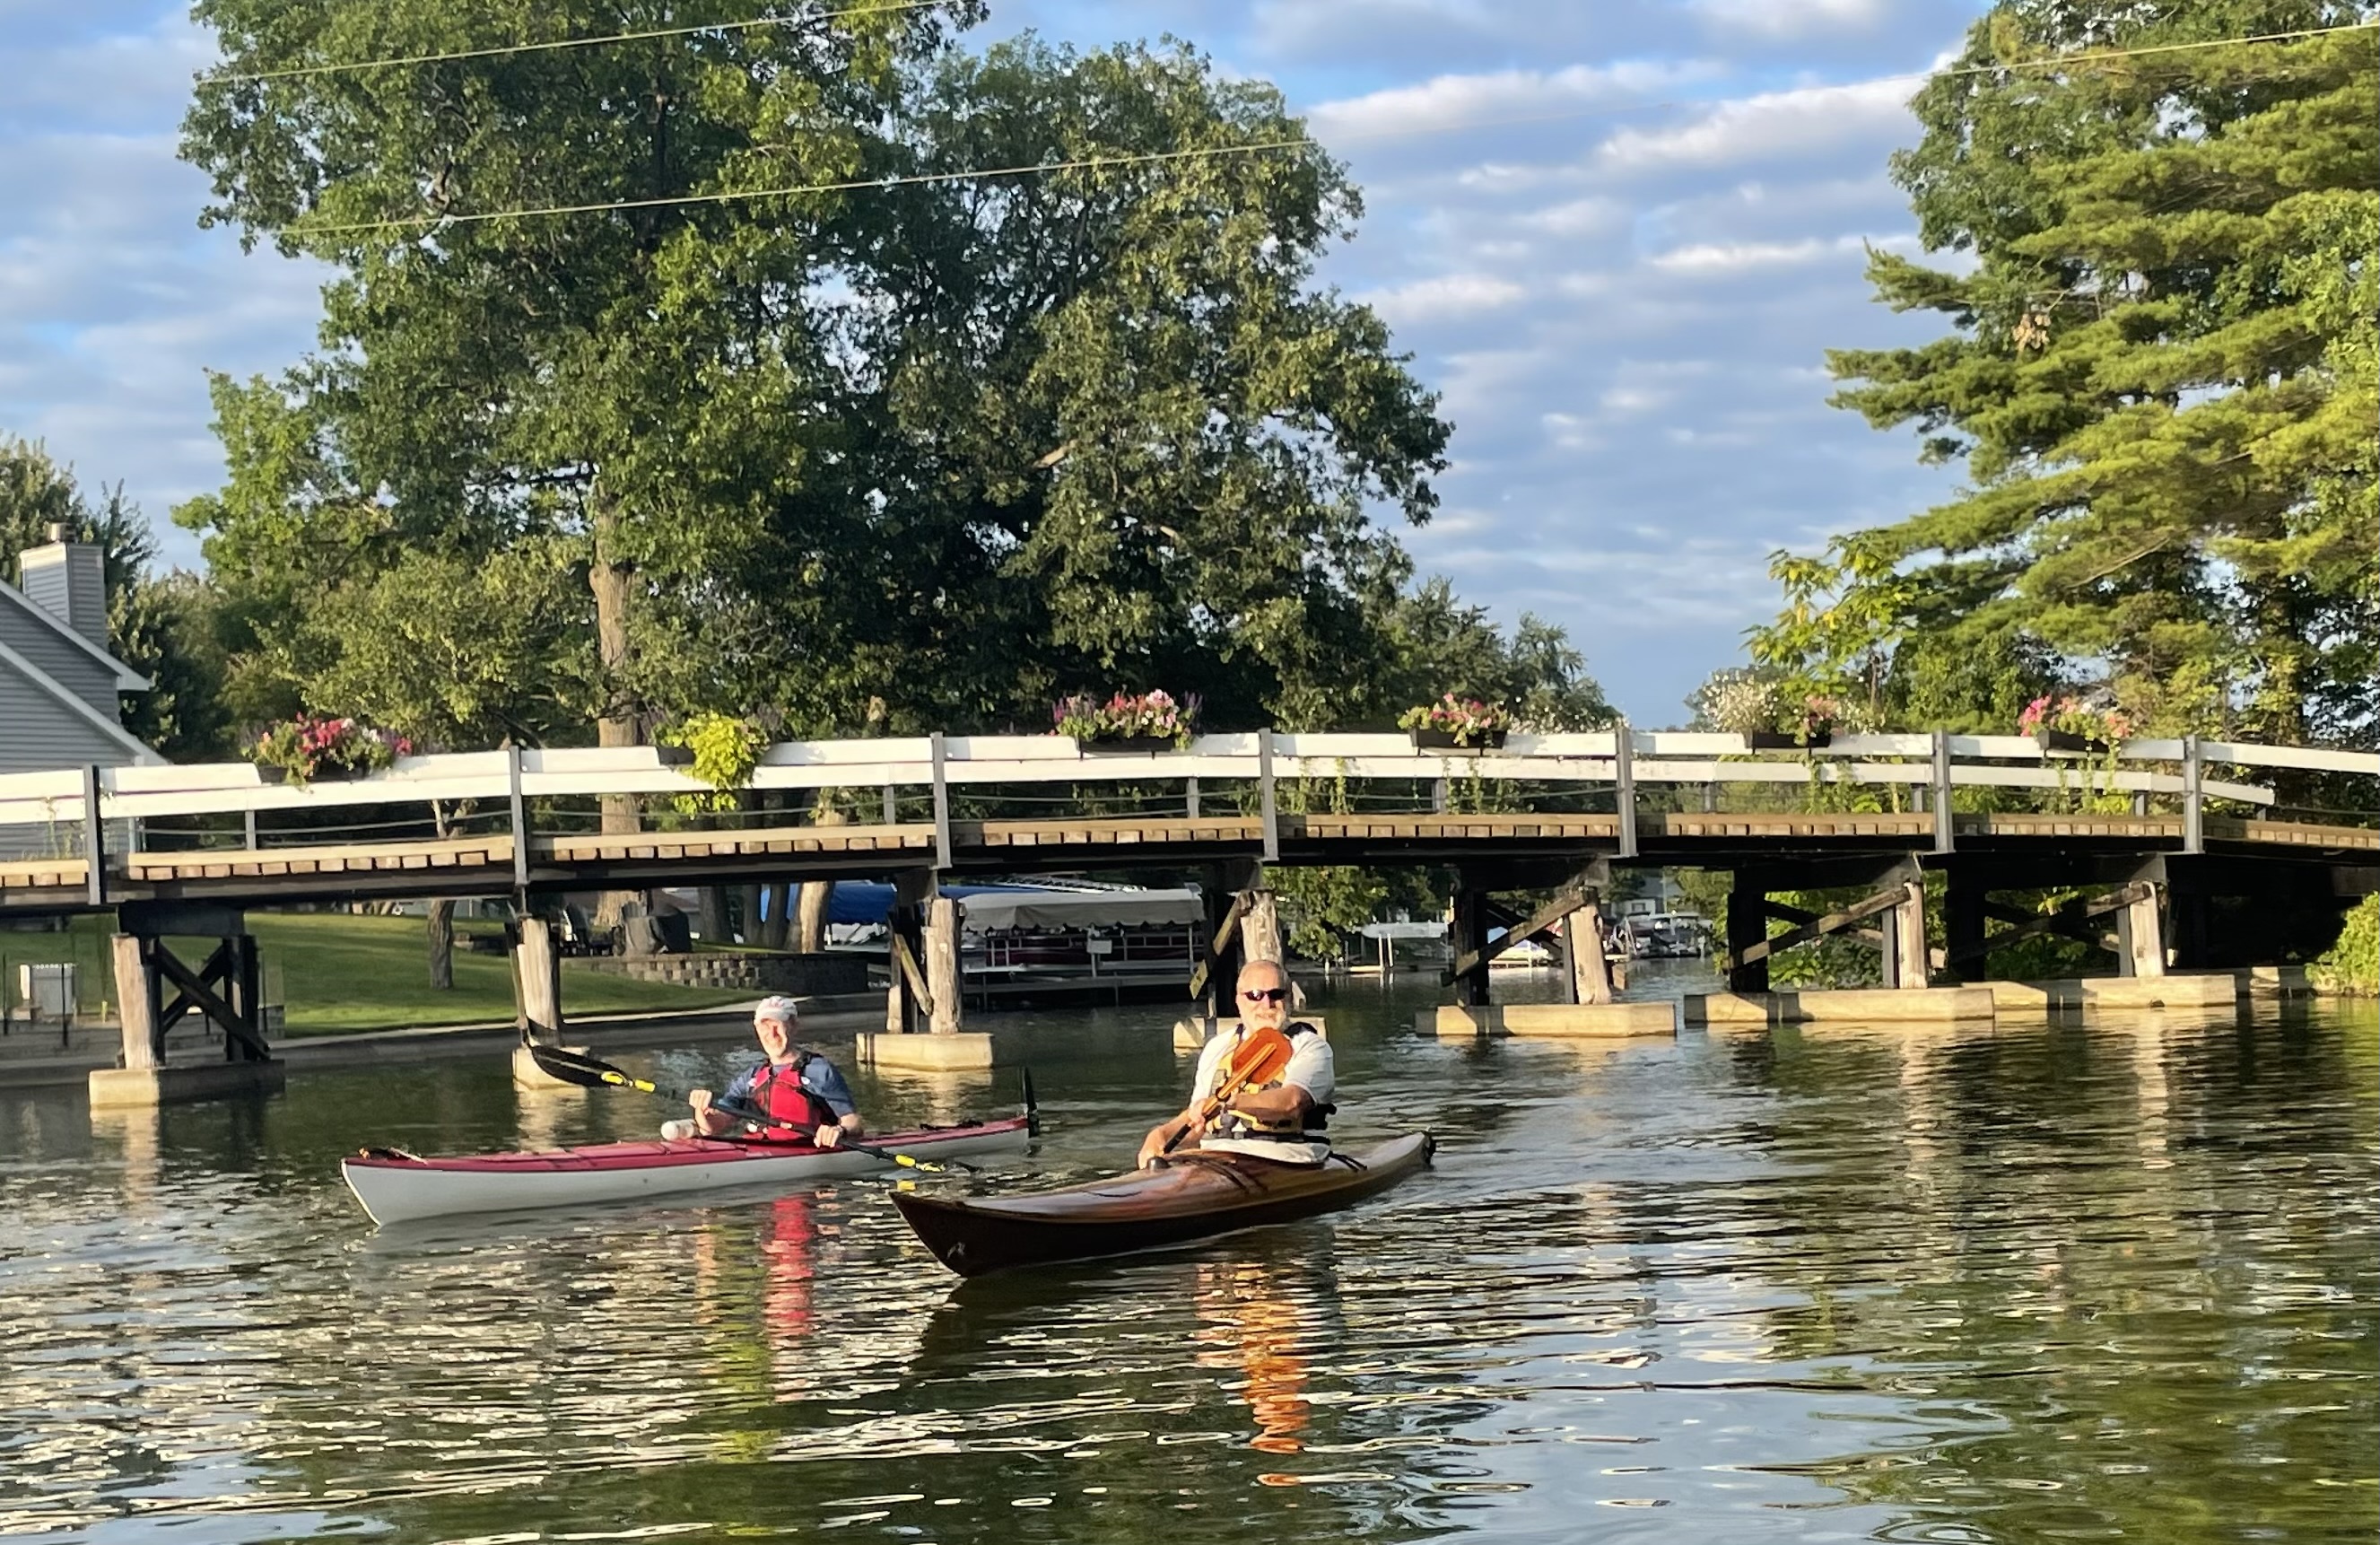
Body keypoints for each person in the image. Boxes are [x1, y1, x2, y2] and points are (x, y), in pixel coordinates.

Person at [1138, 958, 1334, 1168]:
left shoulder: (1311, 1047)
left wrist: (1230, 1102)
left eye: (1276, 994)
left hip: (1286, 1158)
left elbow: (1292, 1103)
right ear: (1238, 1001)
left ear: (1289, 999)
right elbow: (1197, 1122)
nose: (1266, 1004)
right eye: (1255, 995)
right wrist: (1162, 1133)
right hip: (1214, 1159)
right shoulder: (1217, 1047)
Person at [661, 997, 866, 1147]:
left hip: (807, 1150)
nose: (771, 1034)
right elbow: (713, 1127)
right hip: (758, 1151)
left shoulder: (819, 1070)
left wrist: (839, 1130)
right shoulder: (750, 1078)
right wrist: (700, 1109)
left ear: (794, 1025)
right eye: (764, 1027)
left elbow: (854, 1122)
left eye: (777, 1025)